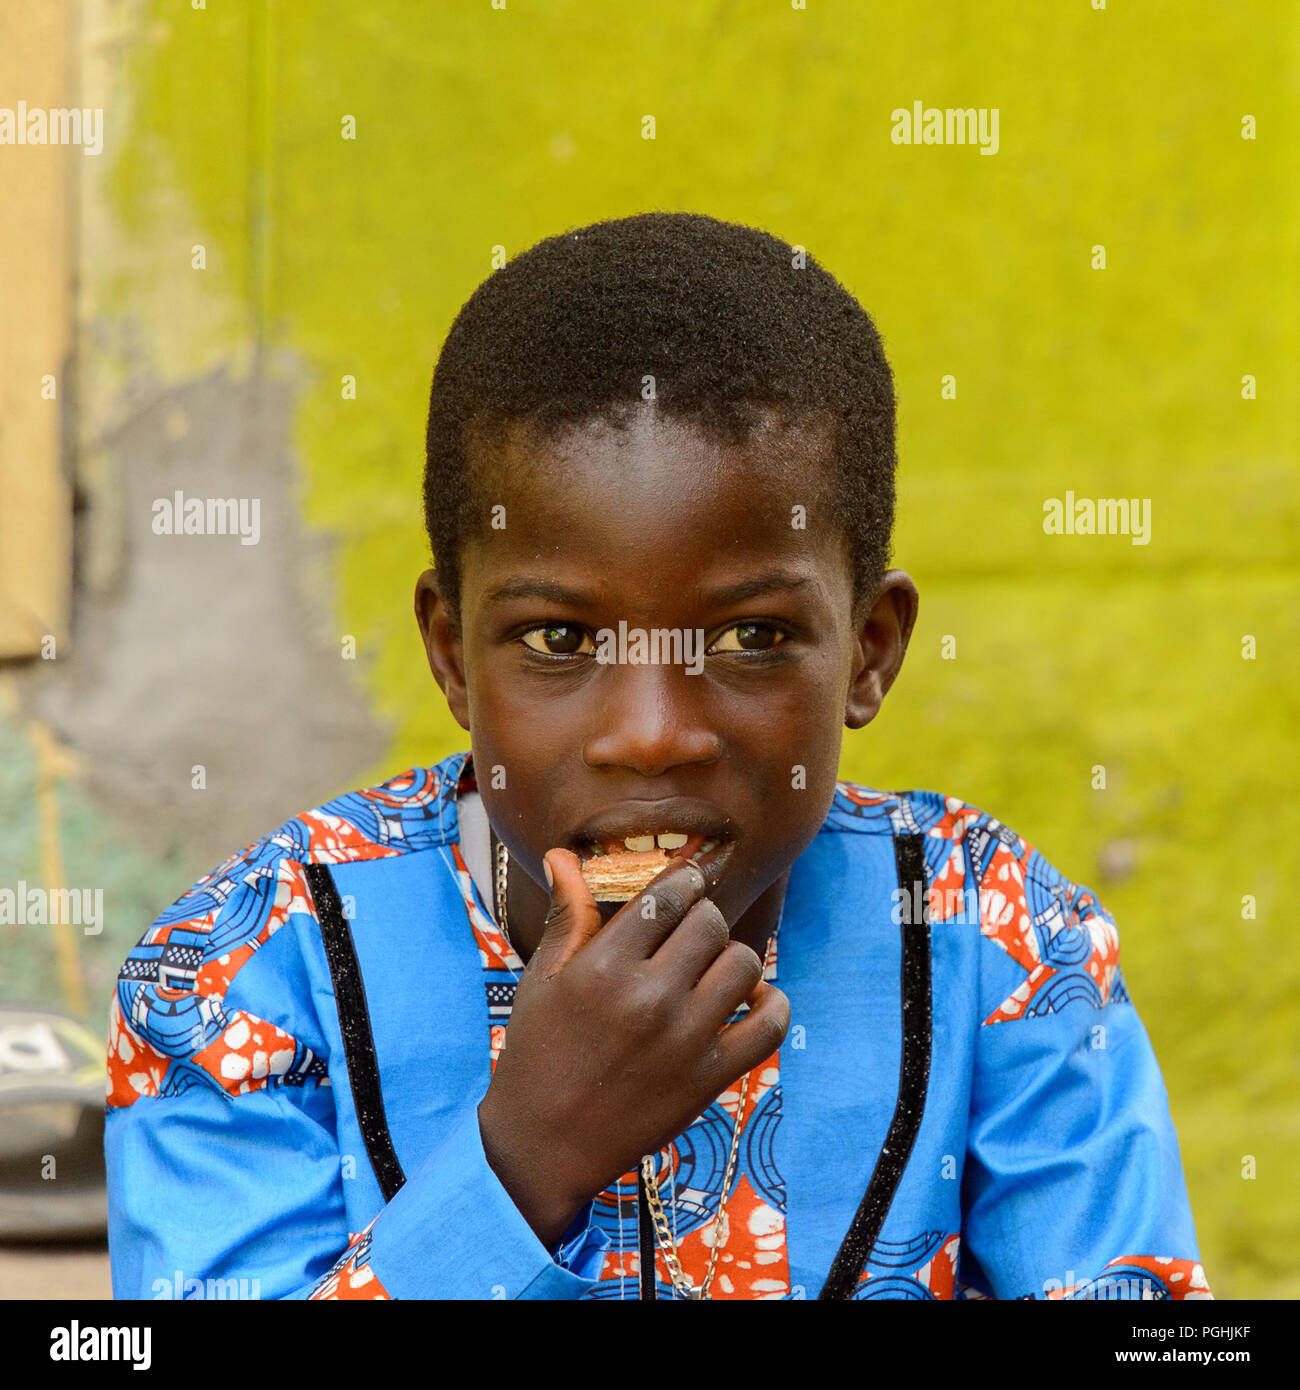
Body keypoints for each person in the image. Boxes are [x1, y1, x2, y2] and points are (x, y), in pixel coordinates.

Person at [104, 212, 1209, 1300]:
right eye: (560, 640)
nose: (650, 733)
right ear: (450, 653)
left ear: (868, 652)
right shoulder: (242, 979)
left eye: (750, 638)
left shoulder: (1001, 943)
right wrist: (524, 1166)